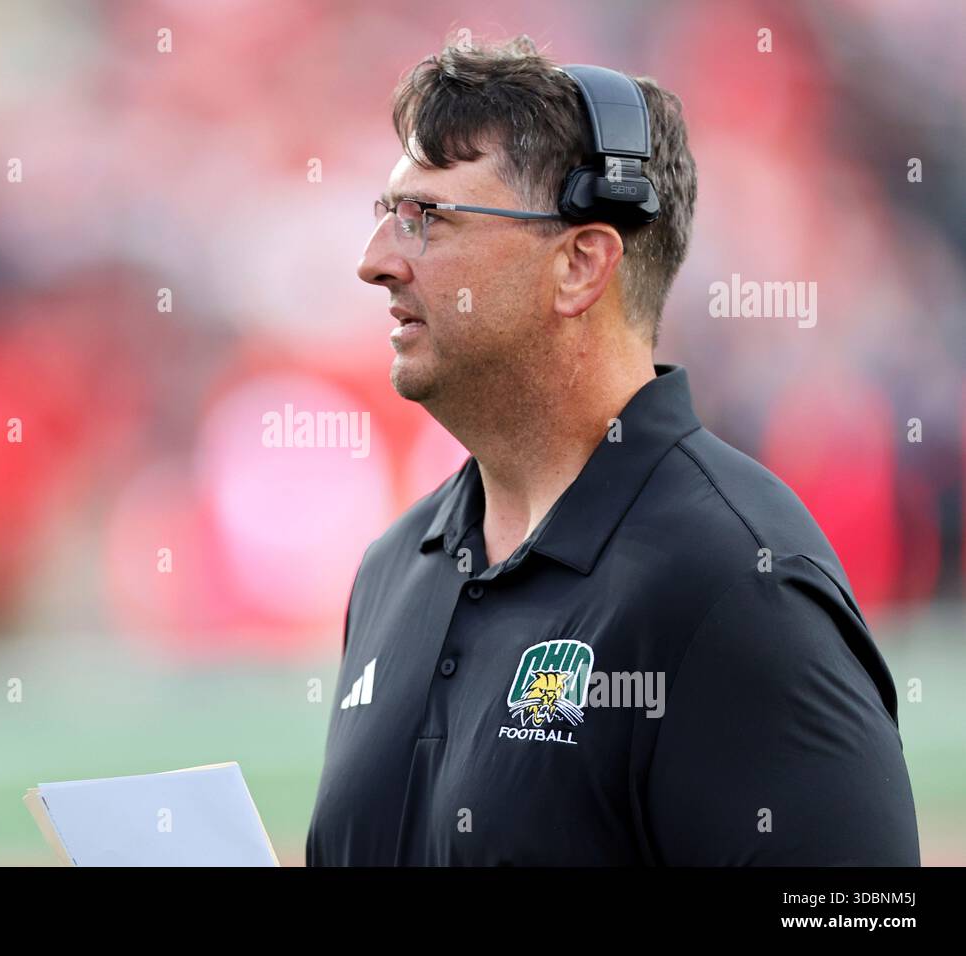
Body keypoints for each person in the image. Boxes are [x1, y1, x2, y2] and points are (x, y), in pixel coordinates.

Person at [305, 34, 919, 866]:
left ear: (580, 265)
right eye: (386, 215)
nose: (374, 262)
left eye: (428, 219)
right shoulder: (392, 570)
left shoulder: (738, 585)